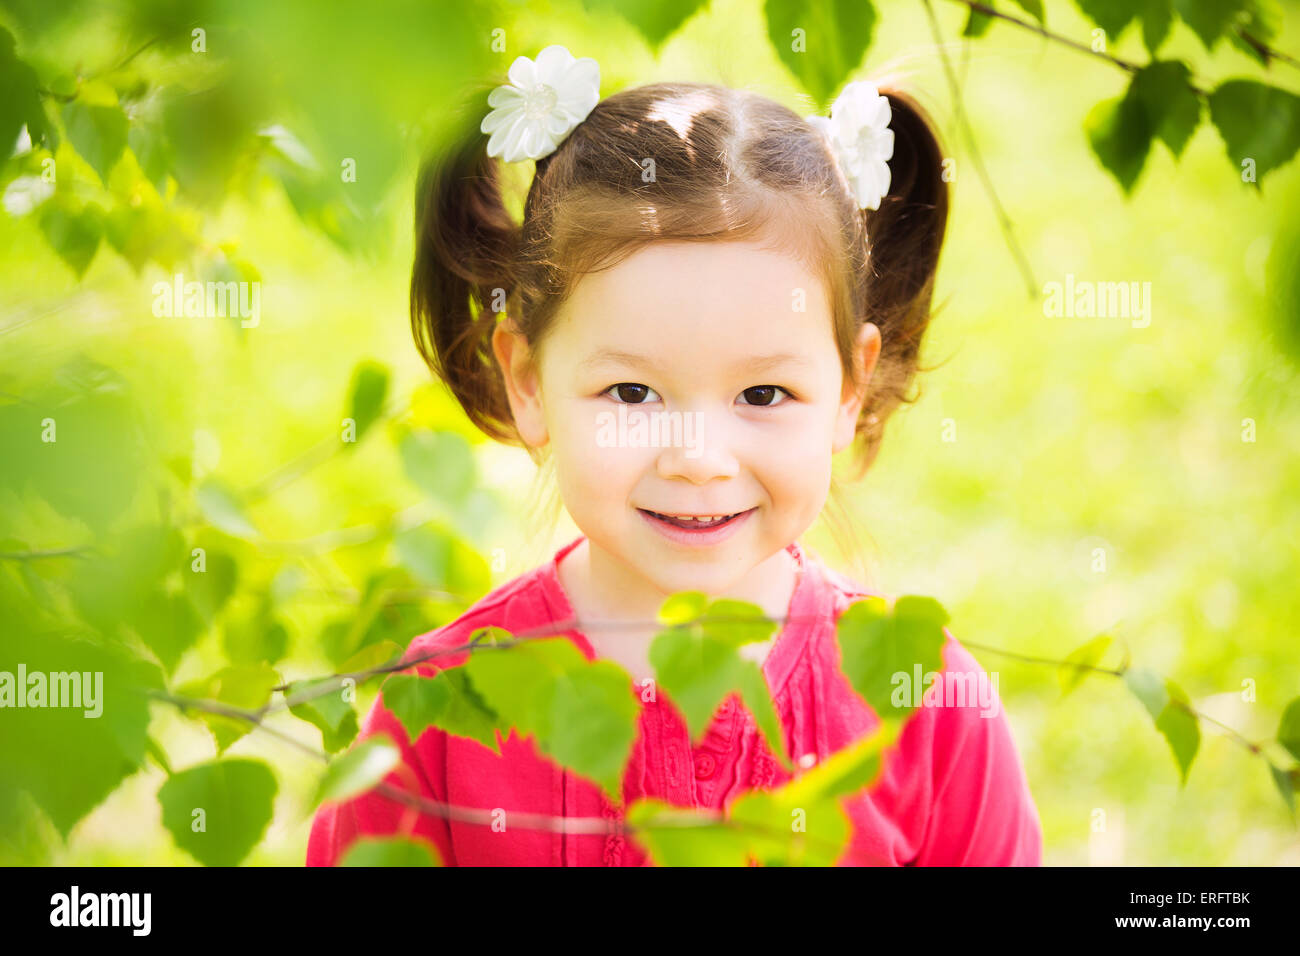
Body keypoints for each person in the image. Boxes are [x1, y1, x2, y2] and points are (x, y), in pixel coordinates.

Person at [308, 45, 1042, 866]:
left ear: (848, 389)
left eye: (763, 396)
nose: (699, 460)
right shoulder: (441, 716)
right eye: (631, 394)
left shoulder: (928, 706)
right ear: (527, 380)